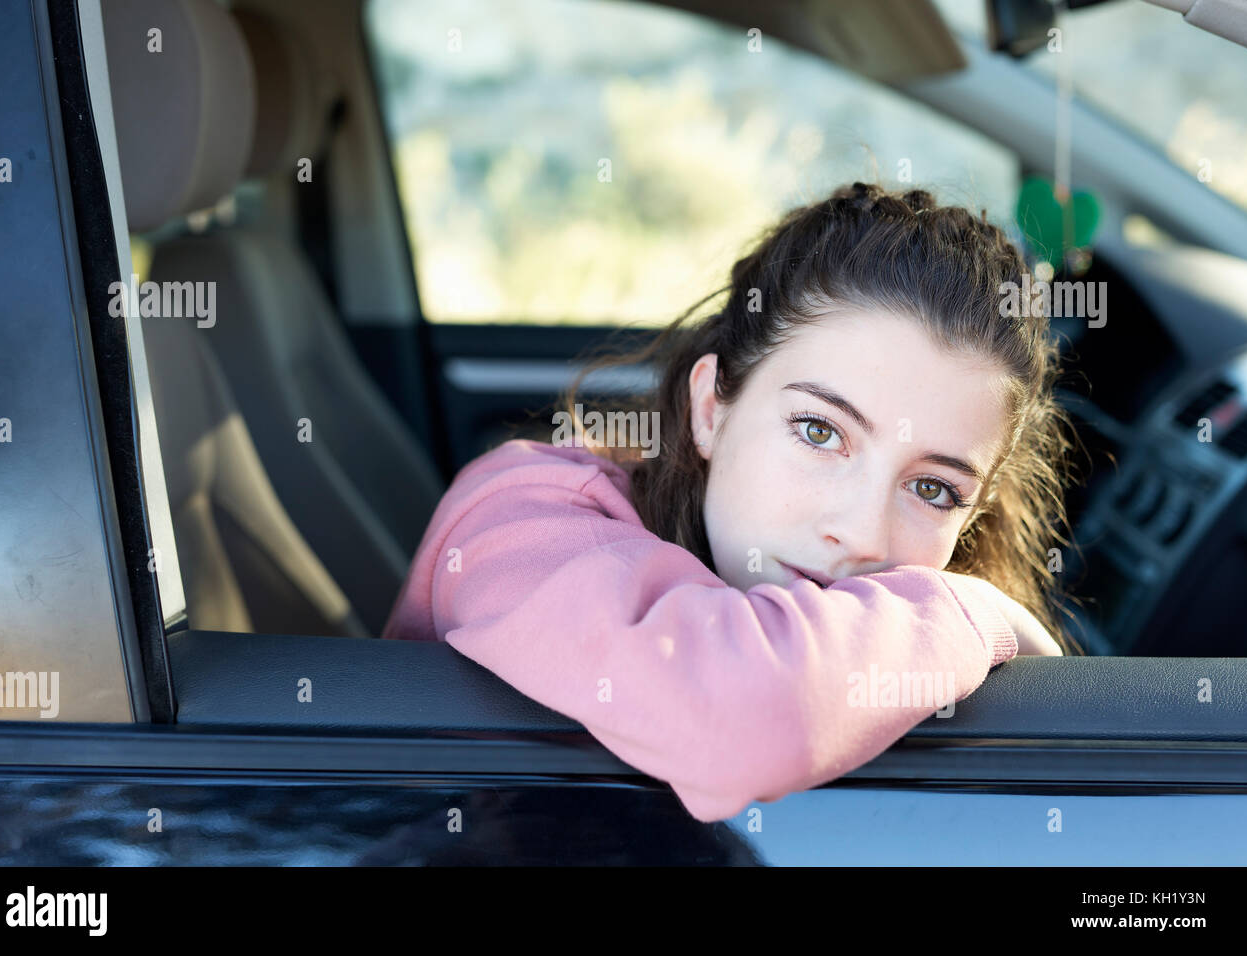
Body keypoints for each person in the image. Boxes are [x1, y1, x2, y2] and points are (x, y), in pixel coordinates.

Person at [381, 181, 1080, 823]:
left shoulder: (897, 660)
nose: (864, 535)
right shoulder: (517, 516)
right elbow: (733, 715)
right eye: (819, 431)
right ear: (711, 406)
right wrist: (977, 613)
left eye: (933, 489)